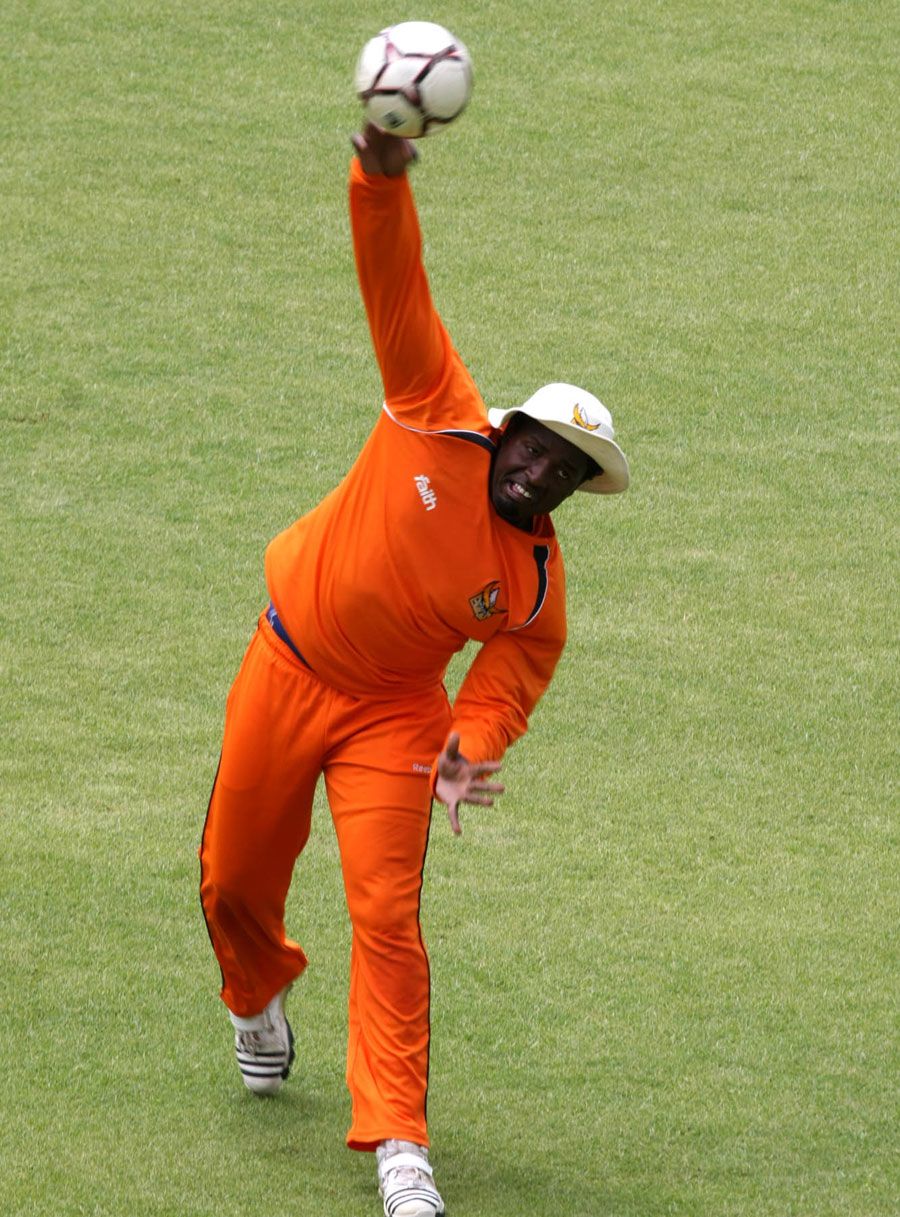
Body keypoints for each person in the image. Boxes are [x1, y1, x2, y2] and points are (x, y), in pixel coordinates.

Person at [199, 123, 629, 1217]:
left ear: (575, 491)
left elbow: (519, 666)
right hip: (287, 660)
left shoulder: (533, 579)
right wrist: (377, 180)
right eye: (538, 444)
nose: (541, 471)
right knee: (232, 878)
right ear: (511, 426)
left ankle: (400, 1144)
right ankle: (257, 995)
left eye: (568, 472)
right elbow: (397, 286)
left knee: (387, 918)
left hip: (395, 718)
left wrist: (463, 745)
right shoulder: (434, 408)